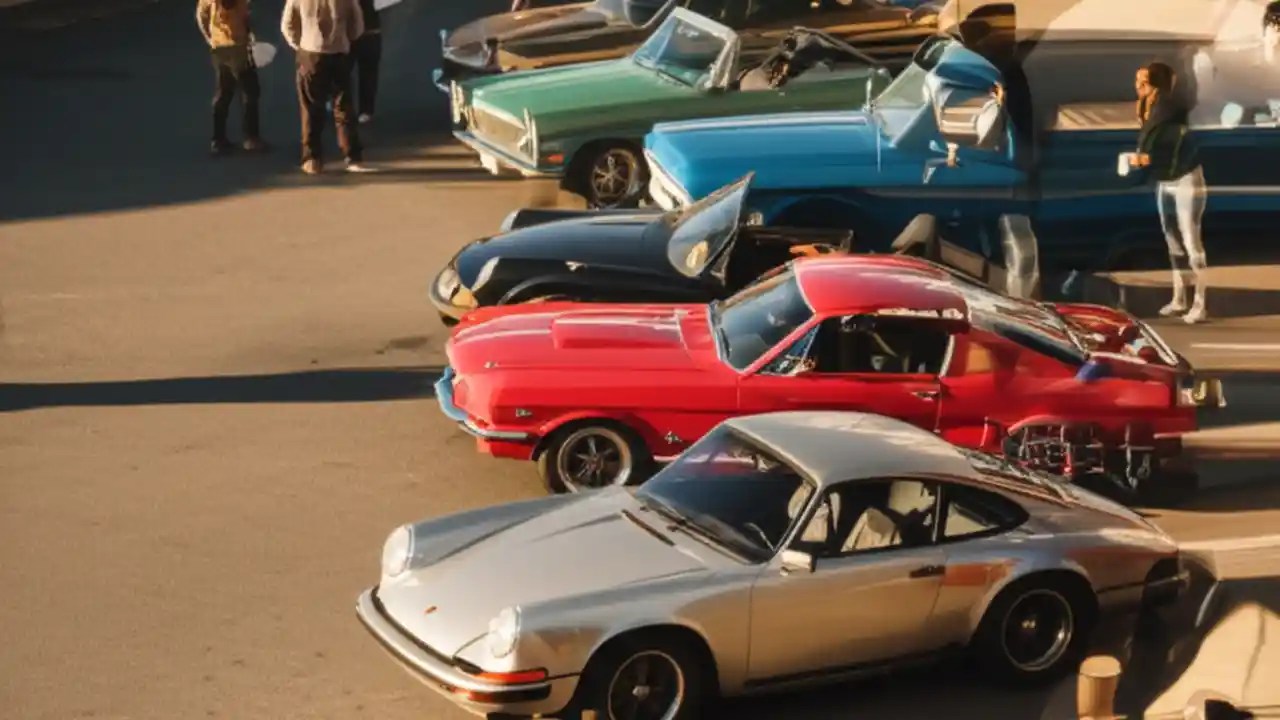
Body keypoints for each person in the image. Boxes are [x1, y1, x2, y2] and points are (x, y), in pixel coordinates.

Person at [1132, 62, 1208, 324]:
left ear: (1157, 85)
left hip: (1185, 177)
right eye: (1137, 81)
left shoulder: (1169, 107)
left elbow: (1164, 142)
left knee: (1191, 240)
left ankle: (1200, 302)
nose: (1138, 87)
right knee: (1172, 240)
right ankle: (1179, 298)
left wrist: (1145, 159)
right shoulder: (1147, 105)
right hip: (1165, 178)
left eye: (1144, 82)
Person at [281, 0, 371, 174]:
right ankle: (352, 155)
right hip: (339, 52)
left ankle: (312, 158)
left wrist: (298, 44)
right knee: (343, 105)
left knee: (310, 107)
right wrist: (346, 38)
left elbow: (287, 25)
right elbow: (357, 25)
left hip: (310, 52)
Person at [197, 0, 267, 156]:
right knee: (250, 91)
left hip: (219, 47)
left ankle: (218, 139)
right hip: (238, 45)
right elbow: (246, 14)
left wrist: (209, 37)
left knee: (223, 92)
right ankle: (251, 138)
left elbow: (201, 15)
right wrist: (250, 33)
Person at [351, 0, 382, 124]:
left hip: (367, 31)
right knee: (367, 73)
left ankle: (365, 110)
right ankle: (364, 110)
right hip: (363, 31)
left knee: (367, 72)